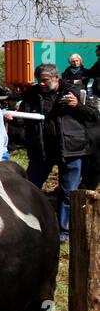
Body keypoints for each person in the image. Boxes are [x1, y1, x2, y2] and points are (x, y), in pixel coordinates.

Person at [17, 63, 97, 241]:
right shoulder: (31, 94)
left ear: (56, 78)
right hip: (41, 150)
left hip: (70, 149)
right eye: (39, 80)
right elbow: (23, 118)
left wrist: (77, 106)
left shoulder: (75, 92)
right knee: (29, 188)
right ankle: (28, 227)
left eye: (45, 80)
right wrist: (15, 118)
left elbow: (93, 115)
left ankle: (63, 232)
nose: (42, 84)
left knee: (68, 193)